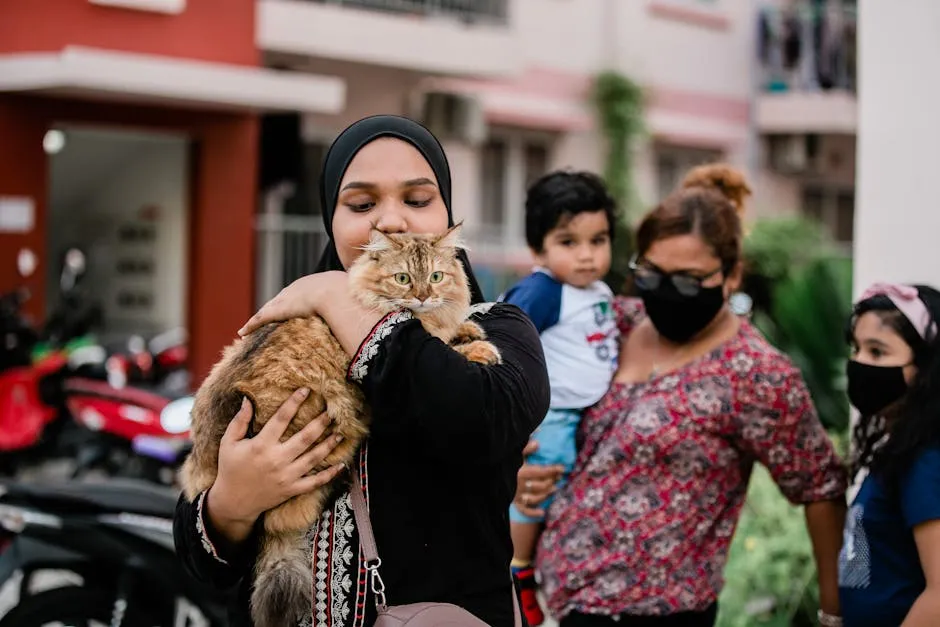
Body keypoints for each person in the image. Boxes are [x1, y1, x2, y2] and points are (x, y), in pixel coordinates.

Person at [173, 115, 551, 627]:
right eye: (361, 204)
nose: (390, 221)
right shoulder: (288, 334)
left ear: (448, 216)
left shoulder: (500, 330)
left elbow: (479, 416)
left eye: (417, 200)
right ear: (331, 216)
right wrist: (232, 504)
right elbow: (198, 563)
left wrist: (334, 294)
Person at [513, 163, 847, 627]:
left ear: (731, 276)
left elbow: (823, 488)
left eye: (689, 280)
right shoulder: (613, 323)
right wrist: (517, 469)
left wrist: (834, 612)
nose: (666, 292)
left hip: (661, 613)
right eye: (650, 274)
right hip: (558, 601)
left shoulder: (756, 373)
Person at [499, 170, 619, 626]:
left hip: (584, 414)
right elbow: (505, 333)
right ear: (539, 249)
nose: (587, 255)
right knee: (538, 488)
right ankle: (518, 569)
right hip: (553, 415)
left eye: (599, 240)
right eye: (569, 242)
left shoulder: (596, 290)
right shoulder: (544, 289)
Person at [839, 283, 940, 626]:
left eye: (877, 352)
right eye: (856, 348)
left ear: (925, 370)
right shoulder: (898, 447)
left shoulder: (924, 460)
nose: (859, 363)